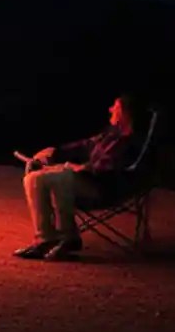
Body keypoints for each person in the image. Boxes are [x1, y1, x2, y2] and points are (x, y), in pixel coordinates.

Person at [14, 94, 144, 261]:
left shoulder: (130, 142)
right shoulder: (109, 134)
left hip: (104, 187)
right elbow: (85, 145)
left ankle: (69, 238)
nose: (110, 109)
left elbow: (109, 168)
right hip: (87, 180)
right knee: (33, 178)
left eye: (115, 107)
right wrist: (53, 152)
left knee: (61, 177)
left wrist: (81, 168)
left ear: (125, 113)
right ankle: (44, 239)